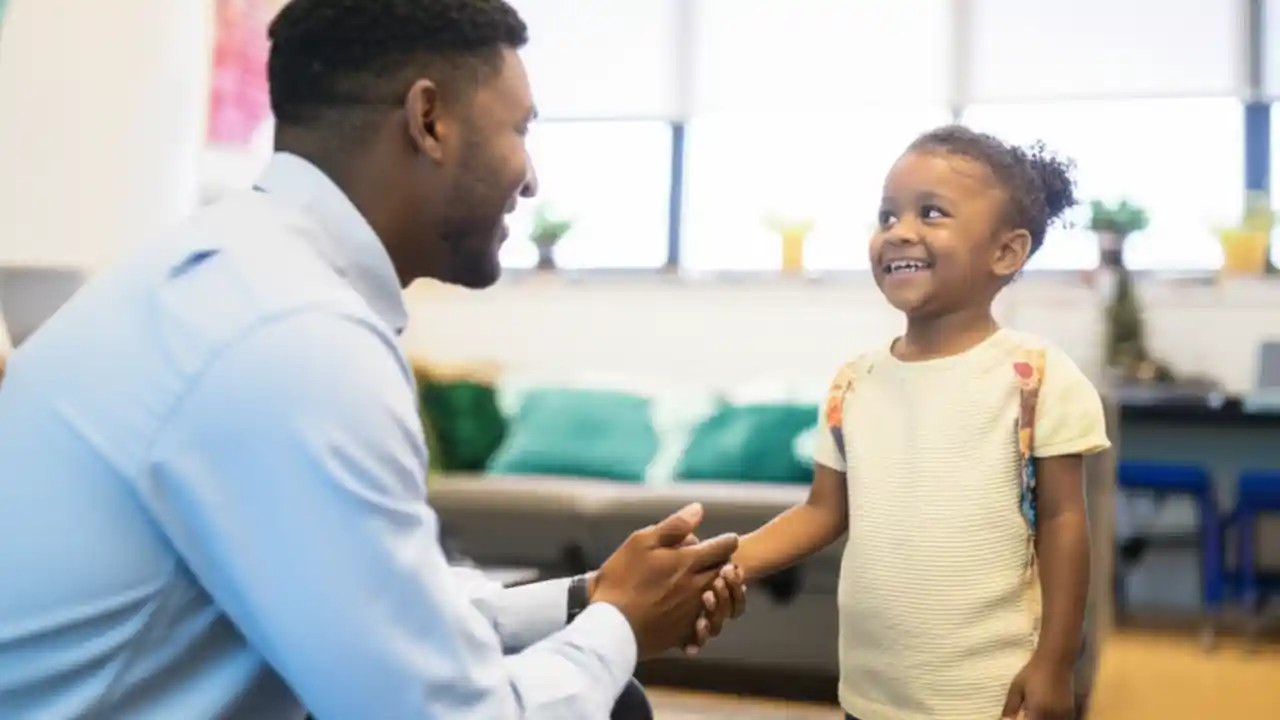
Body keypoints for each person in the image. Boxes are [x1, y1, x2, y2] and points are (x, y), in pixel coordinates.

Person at [0, 1, 746, 717]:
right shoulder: (297, 338)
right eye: (519, 128)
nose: (531, 177)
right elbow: (445, 711)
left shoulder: (228, 271)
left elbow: (384, 610)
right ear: (429, 120)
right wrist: (619, 628)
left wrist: (591, 599)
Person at [725, 125, 1110, 720]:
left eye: (931, 213)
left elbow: (1063, 523)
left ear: (1005, 252)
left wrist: (1055, 662)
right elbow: (823, 512)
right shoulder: (854, 383)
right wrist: (730, 562)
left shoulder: (1036, 377)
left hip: (987, 697)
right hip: (870, 695)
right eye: (887, 216)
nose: (899, 231)